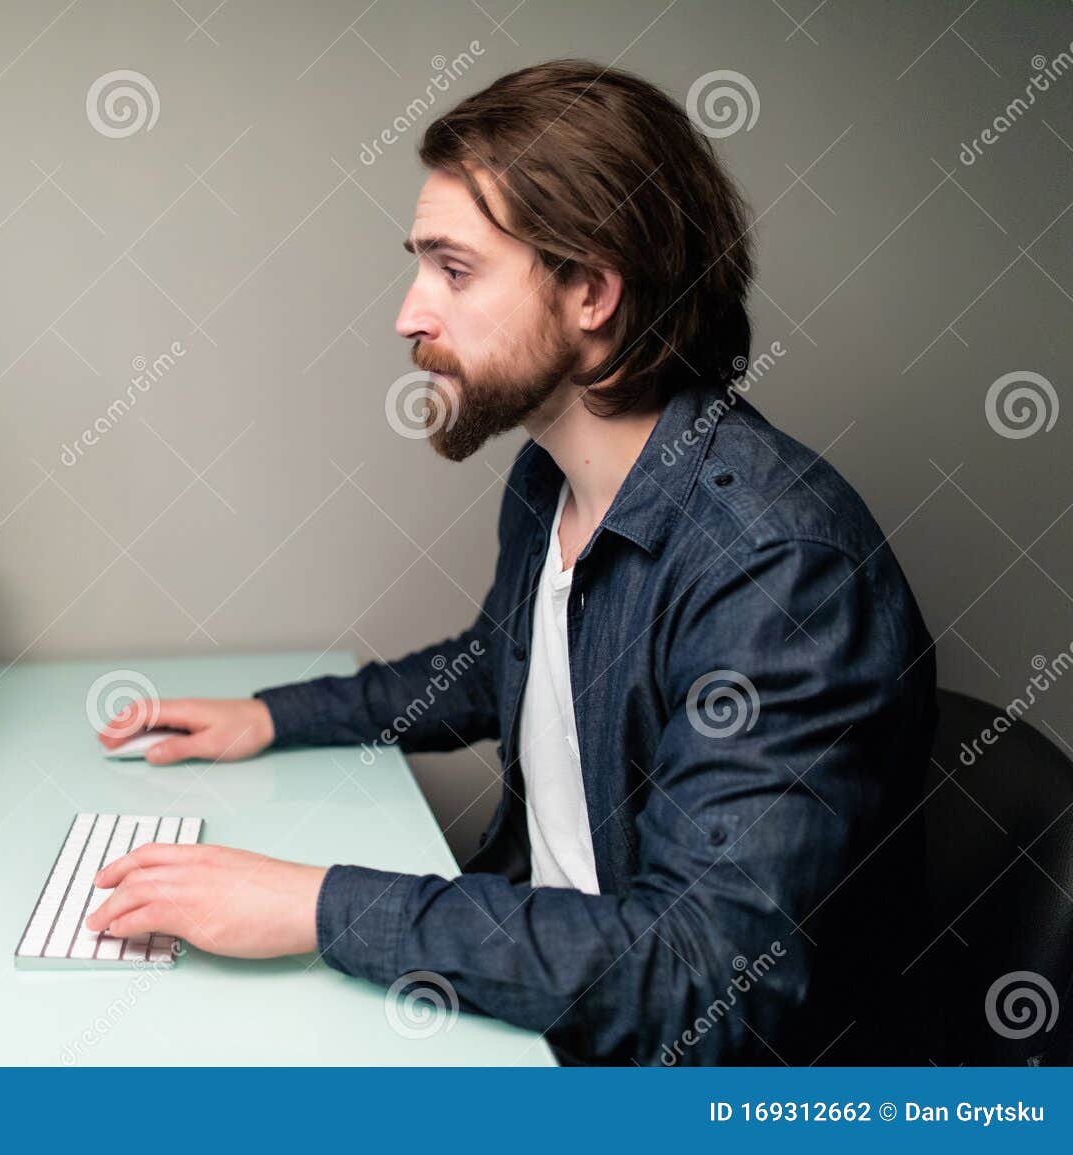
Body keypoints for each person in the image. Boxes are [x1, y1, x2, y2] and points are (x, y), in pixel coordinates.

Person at [88, 59, 937, 1065]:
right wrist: (273, 714)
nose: (409, 315)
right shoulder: (551, 482)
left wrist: (314, 903)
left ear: (589, 290)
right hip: (548, 1007)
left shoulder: (779, 569)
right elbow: (501, 663)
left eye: (453, 270)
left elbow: (705, 979)